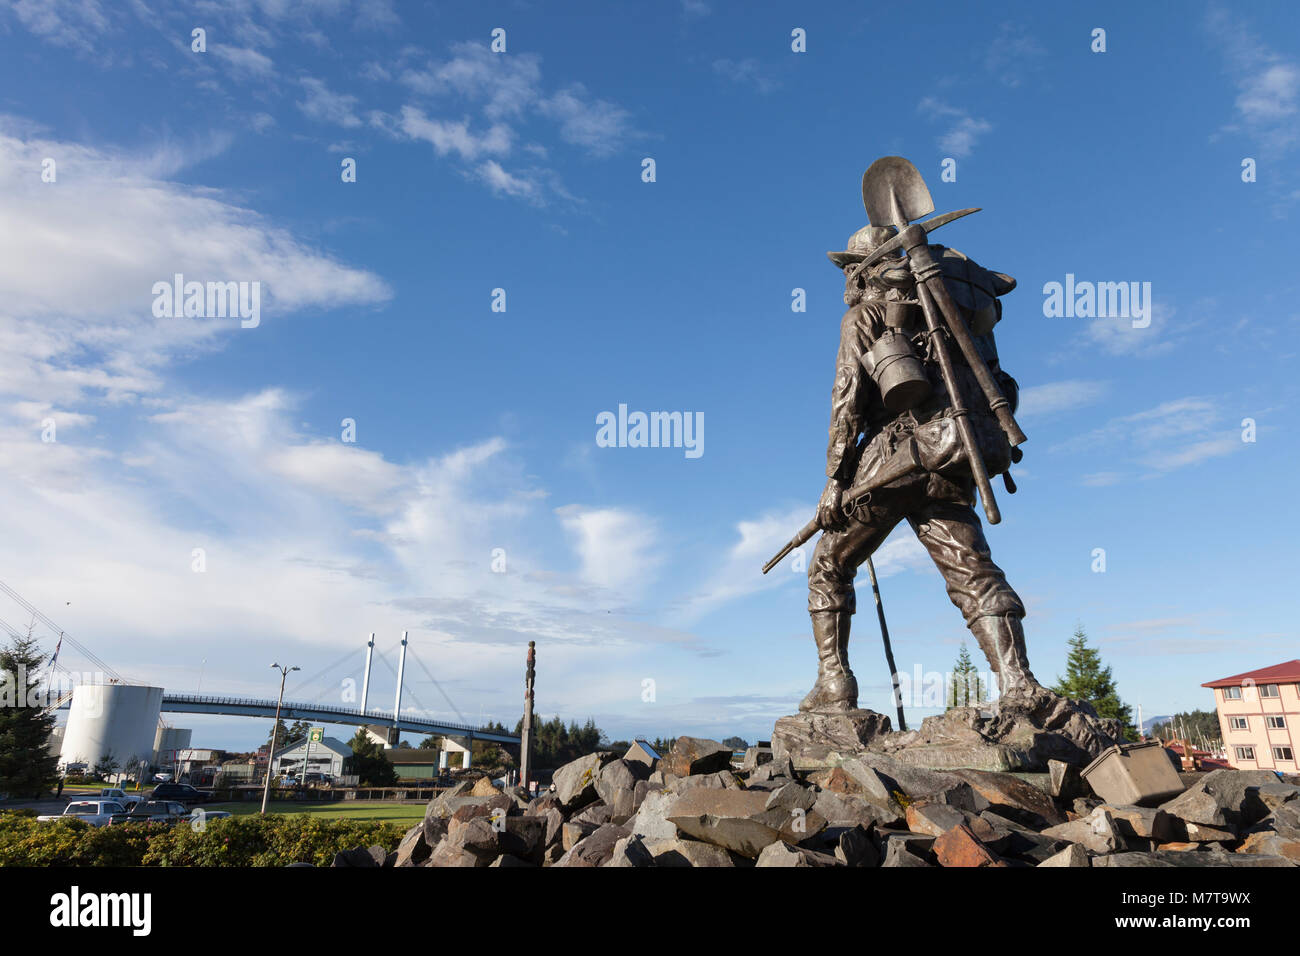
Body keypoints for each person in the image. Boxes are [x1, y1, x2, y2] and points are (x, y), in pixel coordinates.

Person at [801, 223, 1040, 712]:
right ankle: (1018, 683)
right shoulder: (954, 312)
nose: (846, 281)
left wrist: (834, 482)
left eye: (849, 269)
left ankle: (834, 686)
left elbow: (847, 402)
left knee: (828, 564)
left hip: (893, 462)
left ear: (861, 271)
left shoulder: (863, 316)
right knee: (974, 571)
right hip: (954, 451)